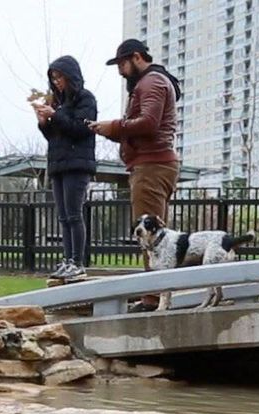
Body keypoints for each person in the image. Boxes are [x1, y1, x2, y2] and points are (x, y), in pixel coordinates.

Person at [89, 39, 180, 308]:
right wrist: (114, 132)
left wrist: (114, 127)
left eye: (122, 64)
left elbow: (149, 124)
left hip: (151, 166)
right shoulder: (154, 82)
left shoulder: (151, 82)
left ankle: (152, 298)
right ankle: (157, 295)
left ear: (136, 57)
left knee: (149, 237)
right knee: (160, 237)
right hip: (156, 163)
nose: (120, 71)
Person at [34, 56, 97, 282]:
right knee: (63, 216)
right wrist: (44, 123)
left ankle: (77, 262)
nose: (57, 82)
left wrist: (56, 115)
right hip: (58, 165)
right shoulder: (58, 103)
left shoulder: (85, 98)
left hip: (77, 165)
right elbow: (55, 136)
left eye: (59, 76)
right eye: (53, 78)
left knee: (73, 214)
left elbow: (81, 129)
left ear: (70, 76)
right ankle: (67, 258)